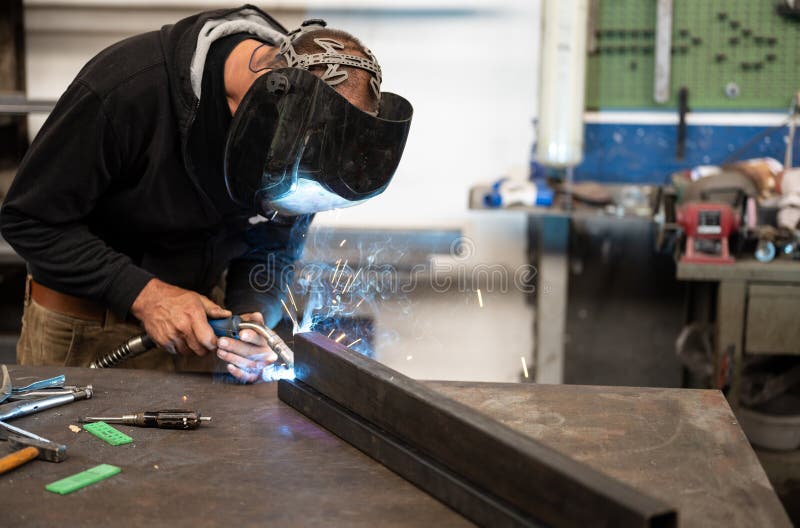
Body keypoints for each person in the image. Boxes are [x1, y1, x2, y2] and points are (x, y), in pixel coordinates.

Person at [0, 6, 412, 382]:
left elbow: (272, 248)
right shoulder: (128, 88)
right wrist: (145, 295)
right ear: (264, 100)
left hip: (202, 330)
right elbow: (28, 218)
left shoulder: (307, 131)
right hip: (84, 327)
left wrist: (252, 318)